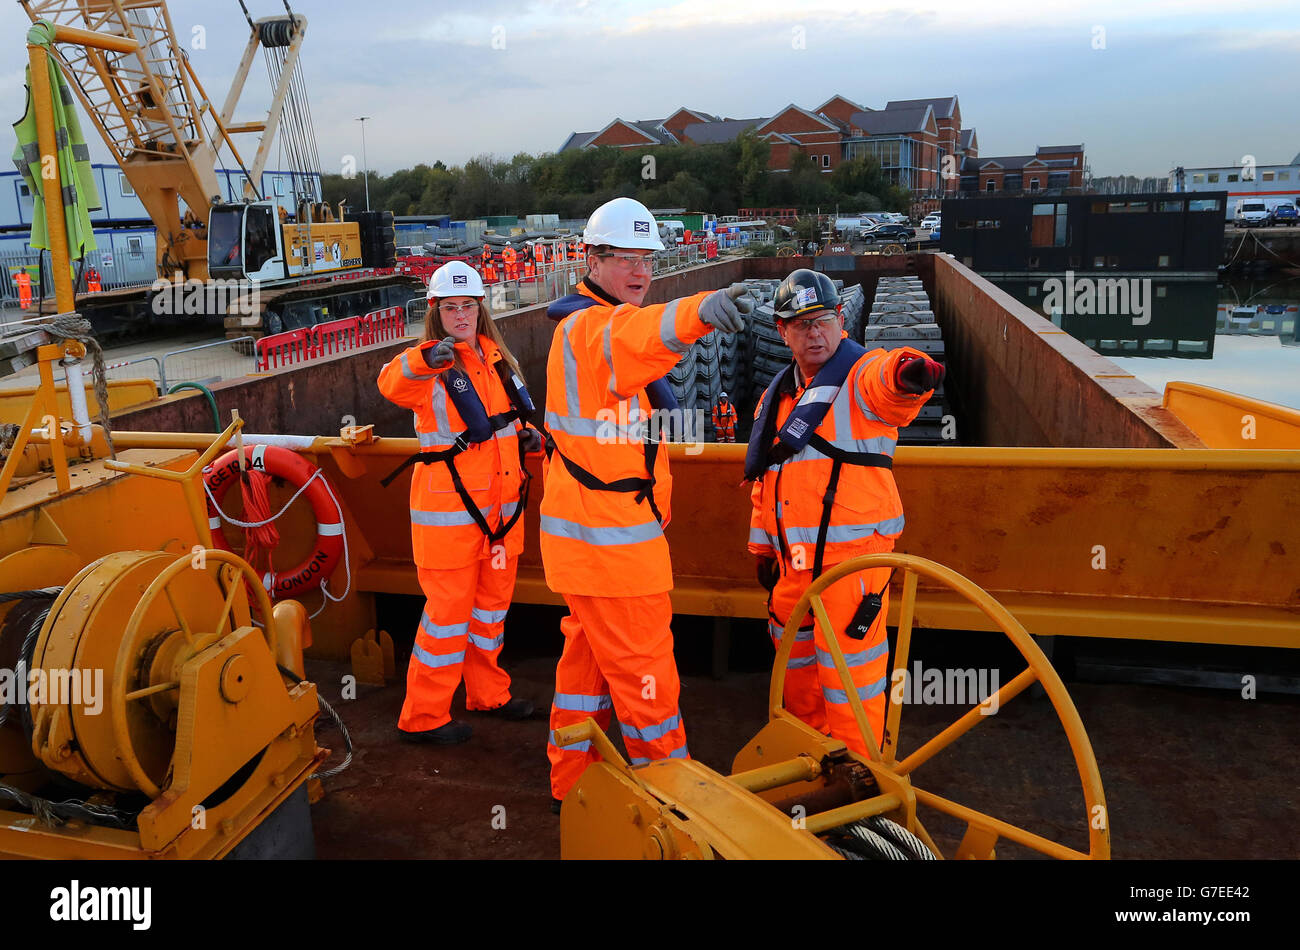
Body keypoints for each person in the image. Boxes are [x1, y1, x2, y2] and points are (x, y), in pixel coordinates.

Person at [542, 196, 753, 810]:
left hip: (594, 543)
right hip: (609, 550)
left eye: (648, 260)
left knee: (584, 671)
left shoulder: (592, 332)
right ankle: (672, 800)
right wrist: (699, 314)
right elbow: (638, 335)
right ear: (594, 259)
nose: (639, 271)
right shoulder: (588, 329)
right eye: (625, 259)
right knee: (645, 675)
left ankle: (572, 782)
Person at [745, 269, 944, 757]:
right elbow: (766, 482)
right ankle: (811, 760)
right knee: (798, 671)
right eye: (800, 324)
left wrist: (909, 371)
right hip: (790, 565)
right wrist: (760, 546)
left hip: (851, 566)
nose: (814, 333)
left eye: (822, 321)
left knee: (849, 680)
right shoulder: (777, 398)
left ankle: (860, 788)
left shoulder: (859, 377)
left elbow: (890, 385)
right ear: (781, 331)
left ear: (841, 321)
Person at [377, 260, 540, 744]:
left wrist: (529, 436)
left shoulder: (497, 362)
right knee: (447, 617)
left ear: (480, 309)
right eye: (451, 307)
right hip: (450, 518)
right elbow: (391, 382)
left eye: (468, 306)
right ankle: (422, 718)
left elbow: (505, 424)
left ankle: (488, 692)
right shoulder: (428, 366)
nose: (461, 315)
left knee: (490, 611)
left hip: (502, 515)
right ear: (436, 312)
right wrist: (429, 358)